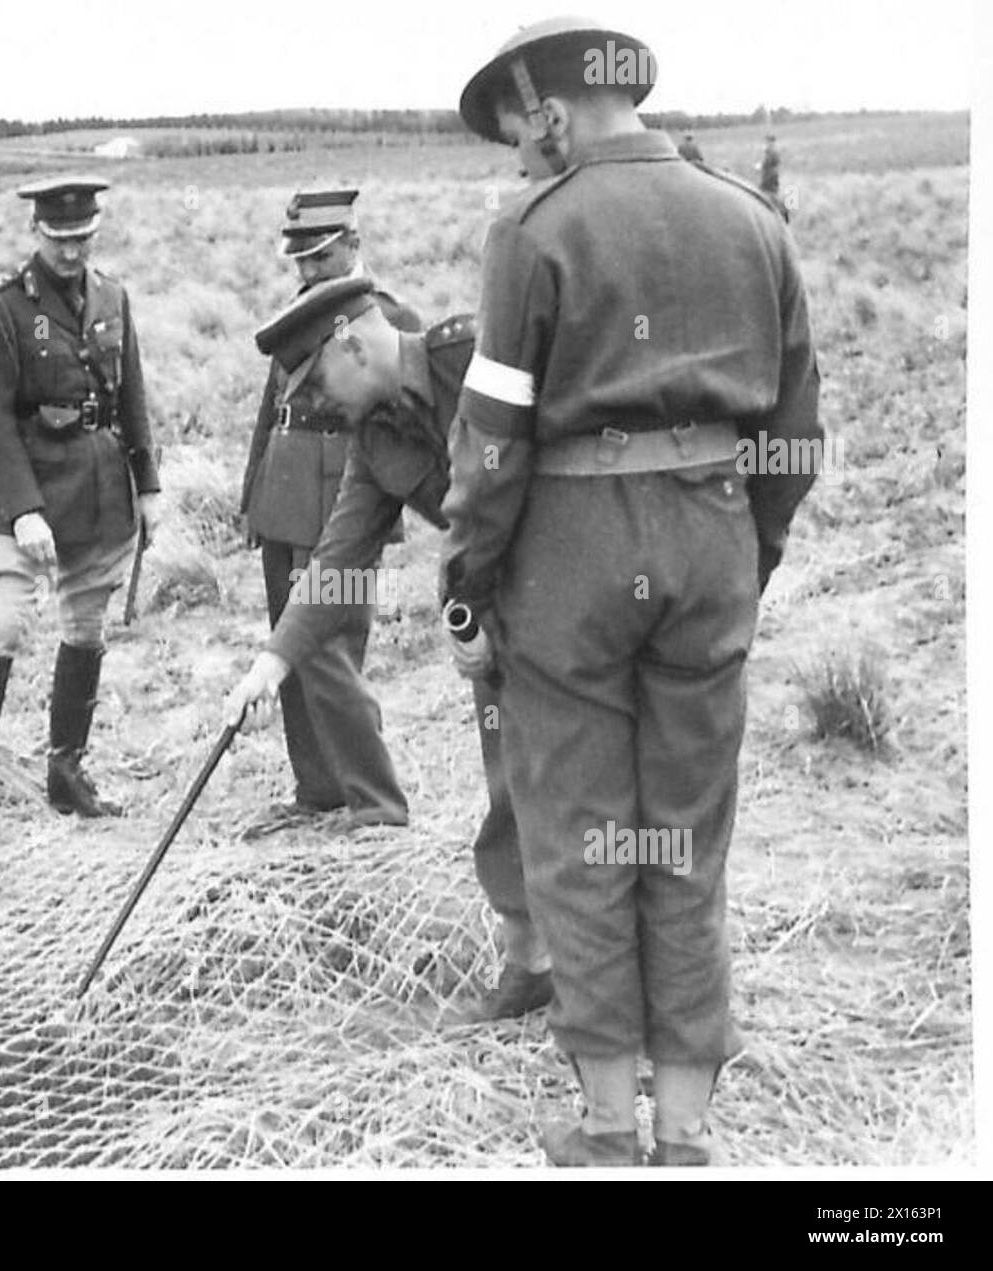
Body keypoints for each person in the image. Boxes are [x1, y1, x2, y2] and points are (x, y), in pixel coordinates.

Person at [445, 17, 821, 1165]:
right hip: (709, 546)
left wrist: (471, 575)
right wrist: (741, 553)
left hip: (573, 562)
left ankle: (610, 1122)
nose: (516, 156)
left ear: (550, 108)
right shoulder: (754, 223)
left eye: (516, 130)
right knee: (687, 837)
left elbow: (494, 440)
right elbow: (795, 433)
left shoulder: (532, 231)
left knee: (585, 837)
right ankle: (689, 1129)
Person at [225, 277, 551, 1020]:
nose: (318, 402)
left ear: (350, 342)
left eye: (318, 383)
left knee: (591, 775)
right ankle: (532, 962)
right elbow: (337, 555)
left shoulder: (474, 356)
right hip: (491, 613)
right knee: (511, 781)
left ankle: (614, 966)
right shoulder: (373, 439)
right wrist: (271, 664)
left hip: (572, 589)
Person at [0, 176, 161, 860]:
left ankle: (67, 772)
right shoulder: (1, 307)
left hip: (97, 489)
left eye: (83, 238)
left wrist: (148, 483)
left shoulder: (114, 296)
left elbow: (134, 398)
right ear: (38, 233)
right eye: (60, 240)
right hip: (18, 492)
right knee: (1, 626)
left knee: (86, 628)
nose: (72, 251)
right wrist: (25, 511)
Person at [239, 190, 421, 834]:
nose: (309, 271)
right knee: (286, 648)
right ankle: (316, 789)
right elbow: (271, 410)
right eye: (302, 260)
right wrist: (251, 495)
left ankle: (372, 799)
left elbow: (413, 417)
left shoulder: (390, 317)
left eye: (321, 257)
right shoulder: (298, 317)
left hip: (346, 498)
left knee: (331, 655)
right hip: (285, 492)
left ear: (353, 244)